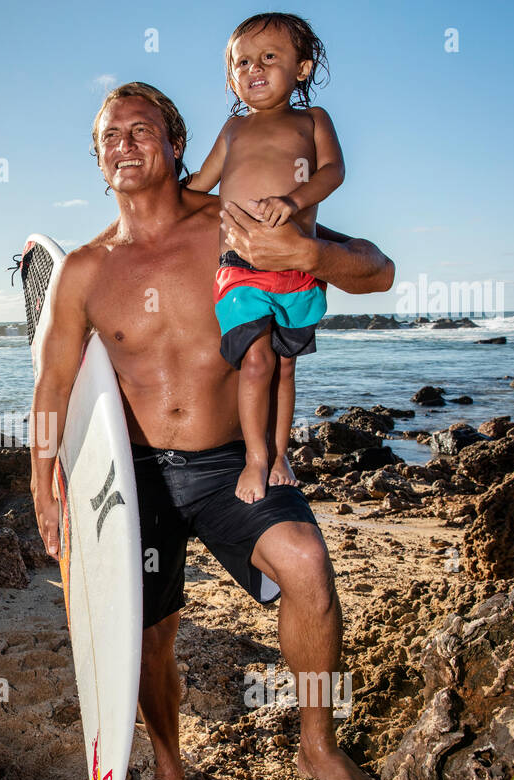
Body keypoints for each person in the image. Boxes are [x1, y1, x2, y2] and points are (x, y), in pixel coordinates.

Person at [30, 81, 393, 780]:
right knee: (146, 632)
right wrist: (46, 486)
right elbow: (53, 385)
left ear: (176, 145)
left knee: (306, 563)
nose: (123, 144)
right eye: (109, 136)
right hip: (135, 482)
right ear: (97, 161)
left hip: (235, 461)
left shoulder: (230, 220)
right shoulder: (87, 271)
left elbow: (375, 269)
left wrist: (312, 250)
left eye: (141, 131)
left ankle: (317, 746)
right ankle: (169, 770)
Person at [186, 12, 344, 504]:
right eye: (241, 61)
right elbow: (196, 188)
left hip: (297, 268)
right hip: (240, 266)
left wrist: (294, 202)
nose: (253, 67)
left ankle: (279, 454)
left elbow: (334, 171)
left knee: (285, 368)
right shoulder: (233, 129)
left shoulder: (312, 120)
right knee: (256, 361)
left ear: (301, 68)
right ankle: (255, 459)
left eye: (268, 57)